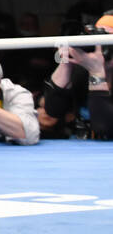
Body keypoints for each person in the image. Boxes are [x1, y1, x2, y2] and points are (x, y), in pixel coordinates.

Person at [44, 12, 113, 140]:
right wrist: (66, 62)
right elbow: (53, 110)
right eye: (97, 36)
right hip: (80, 148)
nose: (100, 45)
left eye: (106, 38)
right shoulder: (82, 71)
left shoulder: (93, 69)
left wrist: (97, 73)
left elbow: (104, 128)